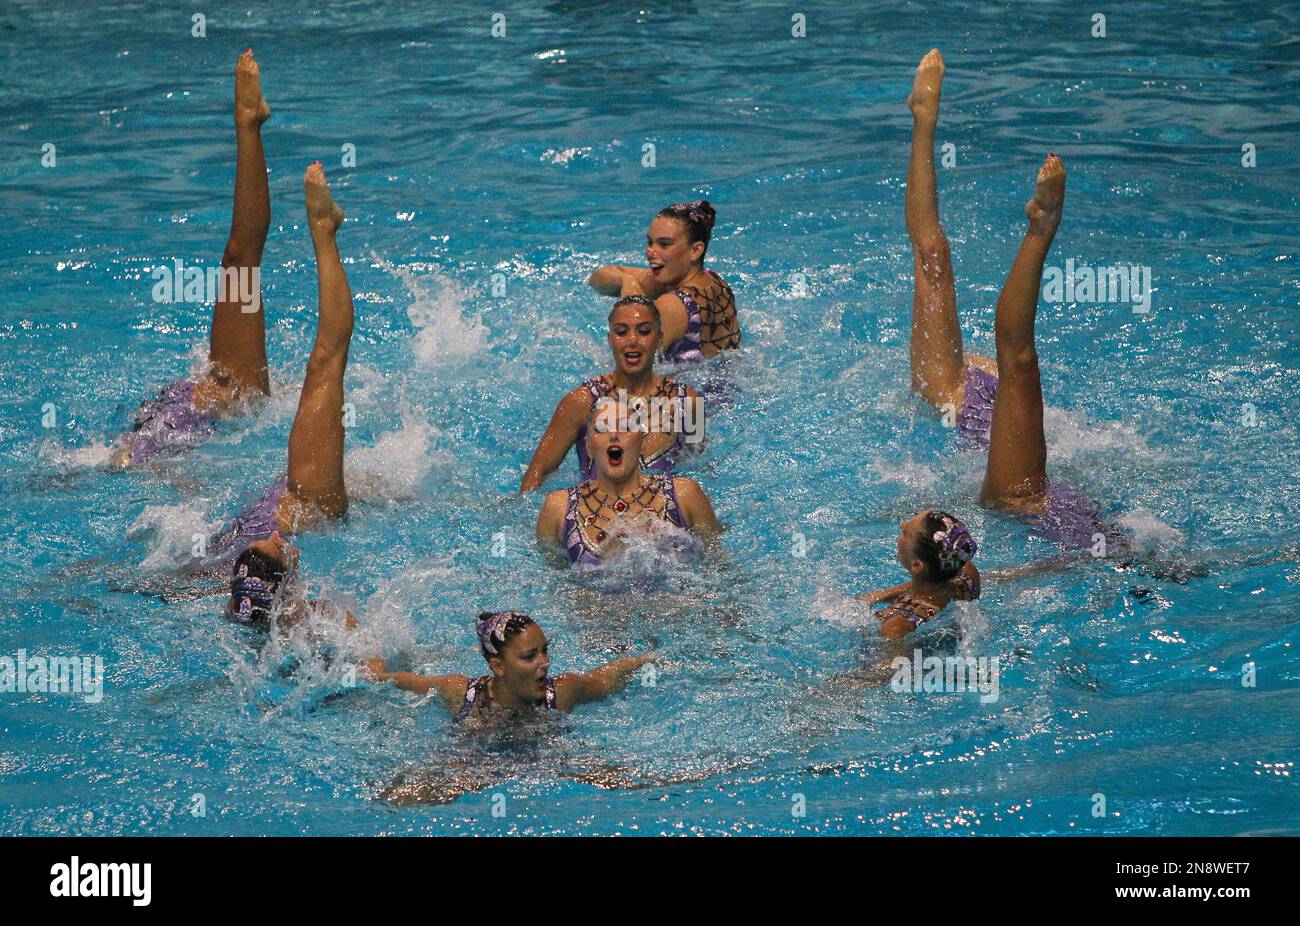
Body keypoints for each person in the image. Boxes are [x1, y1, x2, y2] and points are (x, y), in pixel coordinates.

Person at [111, 50, 274, 467]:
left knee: (240, 261)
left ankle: (248, 125)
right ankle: (248, 126)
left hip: (194, 400)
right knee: (240, 260)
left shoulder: (126, 458)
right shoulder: (236, 390)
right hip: (214, 398)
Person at [218, 163, 354, 628]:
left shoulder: (234, 582)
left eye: (262, 545)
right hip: (308, 493)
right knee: (325, 363)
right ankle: (323, 233)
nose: (276, 534)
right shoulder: (308, 505)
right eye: (279, 546)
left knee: (237, 265)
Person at [520, 295, 703, 493]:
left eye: (644, 331)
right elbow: (536, 474)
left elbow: (700, 468)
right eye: (621, 332)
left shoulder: (689, 402)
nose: (632, 340)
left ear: (659, 337)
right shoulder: (582, 402)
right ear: (610, 340)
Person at [364, 611, 655, 719]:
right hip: (472, 761)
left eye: (545, 651)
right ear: (498, 667)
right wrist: (374, 671)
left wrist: (652, 660)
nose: (544, 663)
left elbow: (606, 678)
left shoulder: (563, 692)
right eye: (529, 657)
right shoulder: (460, 693)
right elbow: (399, 681)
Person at [536, 397, 720, 567]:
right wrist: (609, 564)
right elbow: (553, 588)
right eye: (602, 428)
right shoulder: (558, 509)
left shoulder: (684, 495)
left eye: (625, 427)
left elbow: (720, 569)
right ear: (589, 446)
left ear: (643, 442)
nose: (614, 435)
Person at [588, 201, 740, 362]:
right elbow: (597, 279)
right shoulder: (716, 282)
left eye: (664, 244)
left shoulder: (671, 305)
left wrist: (632, 303)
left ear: (695, 251)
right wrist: (626, 280)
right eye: (650, 242)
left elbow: (629, 364)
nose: (650, 252)